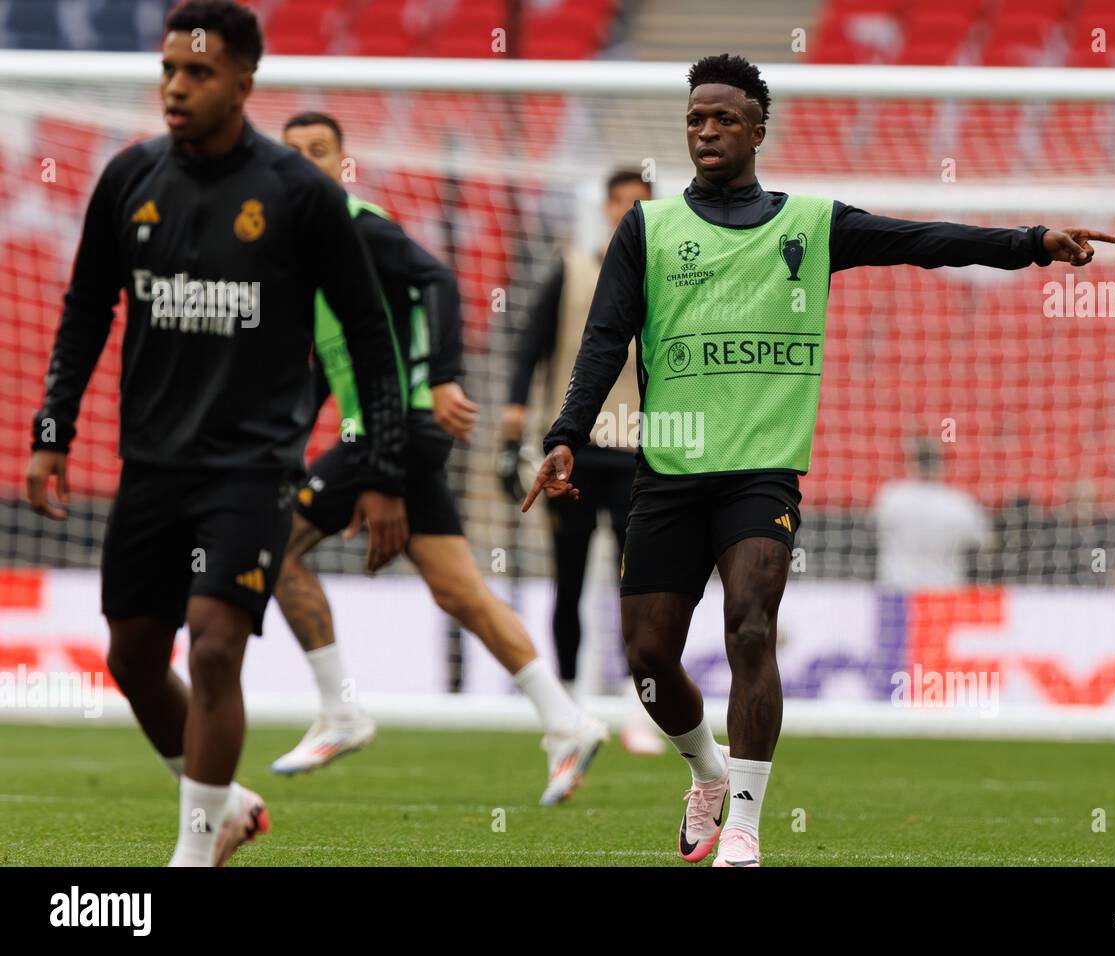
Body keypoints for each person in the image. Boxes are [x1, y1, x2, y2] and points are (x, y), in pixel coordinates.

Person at [523, 53, 1115, 866]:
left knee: (753, 630)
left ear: (757, 129)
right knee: (650, 658)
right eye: (695, 117)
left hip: (762, 469)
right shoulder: (649, 228)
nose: (706, 130)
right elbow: (603, 338)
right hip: (667, 470)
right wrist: (566, 434)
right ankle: (704, 773)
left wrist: (1031, 243)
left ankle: (743, 824)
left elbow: (924, 241)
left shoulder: (810, 222)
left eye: (723, 117)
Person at [25, 1, 409, 866]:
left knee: (215, 642)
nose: (175, 86)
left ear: (244, 81)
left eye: (197, 72)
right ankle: (226, 804)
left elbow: (372, 334)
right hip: (153, 462)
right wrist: (53, 426)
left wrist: (384, 469)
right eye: (168, 69)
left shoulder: (300, 194)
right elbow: (87, 309)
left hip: (255, 466)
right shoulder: (128, 178)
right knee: (130, 655)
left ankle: (191, 856)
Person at [275, 113, 607, 805]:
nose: (305, 163)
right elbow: (317, 365)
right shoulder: (303, 249)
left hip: (397, 426)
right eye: (293, 153)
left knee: (276, 549)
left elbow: (439, 281)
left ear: (343, 162)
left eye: (319, 151)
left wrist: (443, 378)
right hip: (379, 435)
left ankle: (341, 711)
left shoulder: (361, 226)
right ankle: (565, 721)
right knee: (459, 589)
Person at [501, 169, 664, 756]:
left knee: (638, 587)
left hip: (639, 448)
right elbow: (529, 347)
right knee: (568, 581)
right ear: (604, 205)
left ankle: (637, 707)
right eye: (619, 201)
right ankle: (567, 707)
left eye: (638, 204)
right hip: (574, 449)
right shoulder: (569, 268)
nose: (627, 211)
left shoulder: (667, 274)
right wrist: (513, 425)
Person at [871, 438, 990, 589]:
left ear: (911, 463)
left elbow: (874, 534)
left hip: (897, 590)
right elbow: (985, 543)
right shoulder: (960, 504)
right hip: (943, 591)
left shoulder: (891, 497)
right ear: (940, 464)